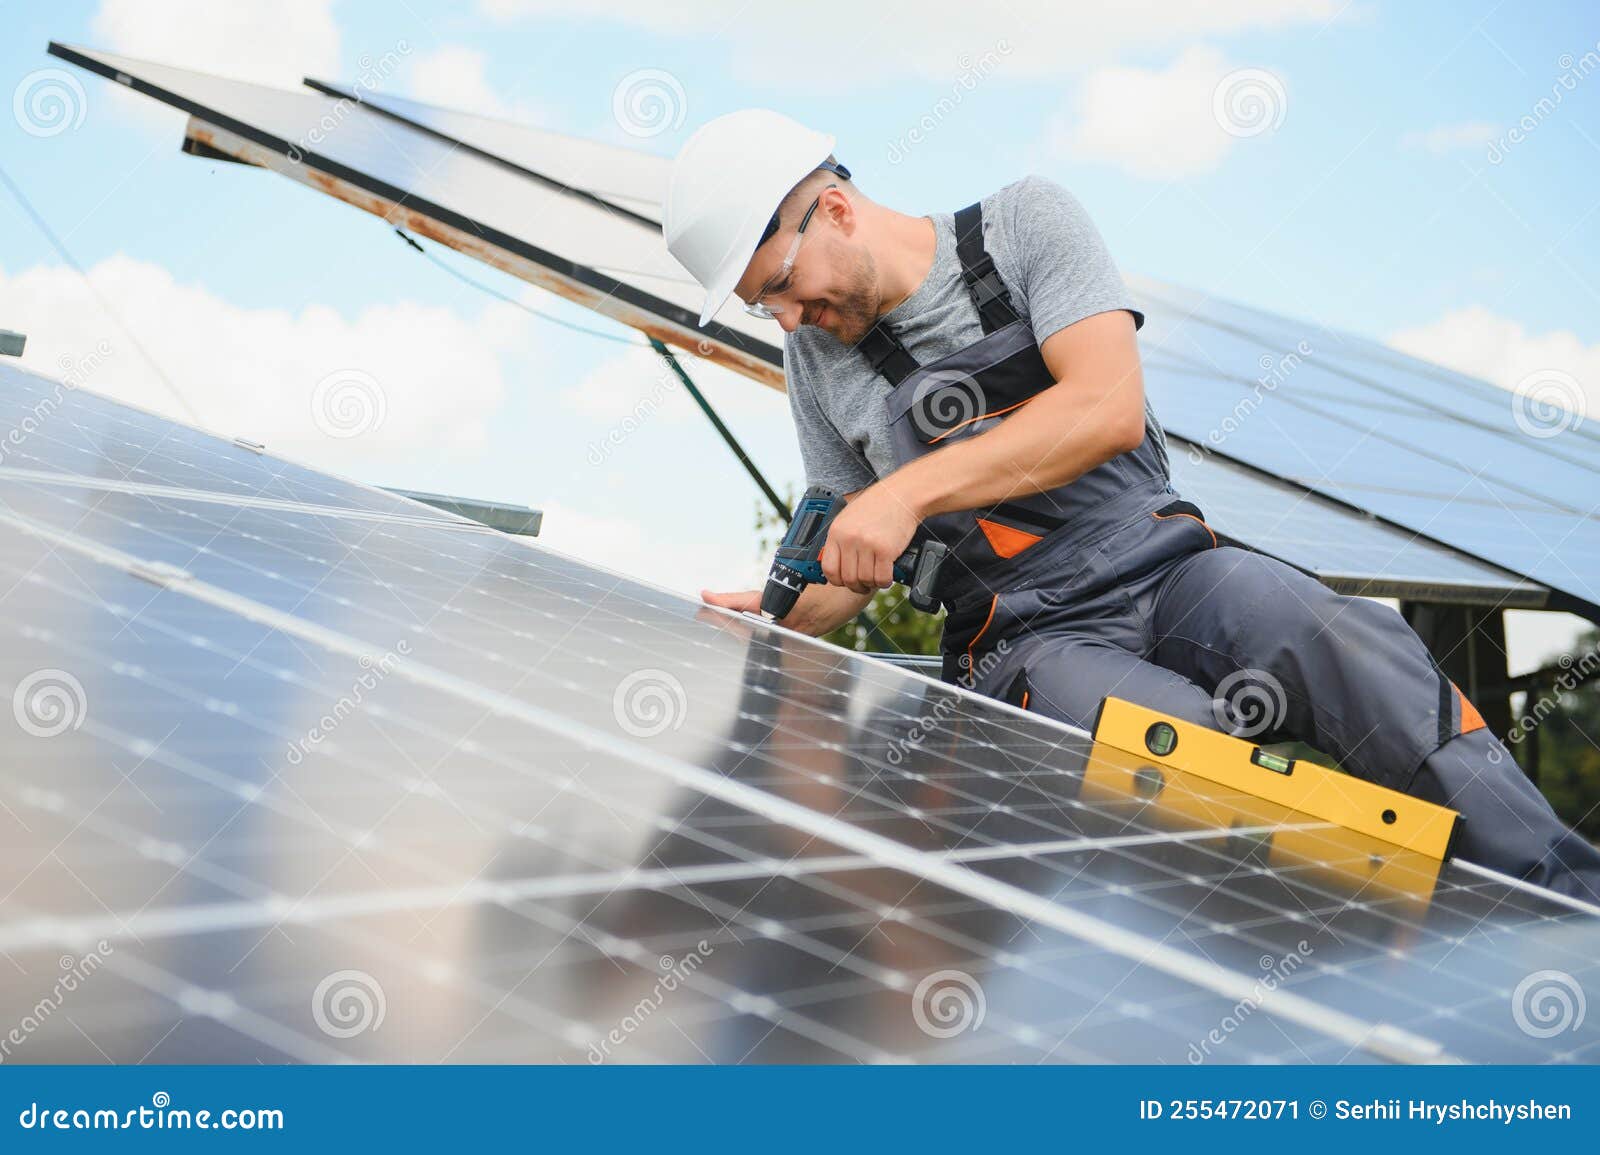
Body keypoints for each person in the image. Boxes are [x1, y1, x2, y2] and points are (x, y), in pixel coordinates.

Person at [664, 109, 1600, 902]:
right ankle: (1417, 959)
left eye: (781, 287)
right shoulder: (817, 361)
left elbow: (1104, 408)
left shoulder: (1025, 225)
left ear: (832, 208)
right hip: (1026, 640)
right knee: (1189, 757)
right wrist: (787, 615)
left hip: (1172, 568)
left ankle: (1561, 901)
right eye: (762, 308)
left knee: (1351, 643)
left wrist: (905, 491)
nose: (786, 320)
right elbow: (850, 556)